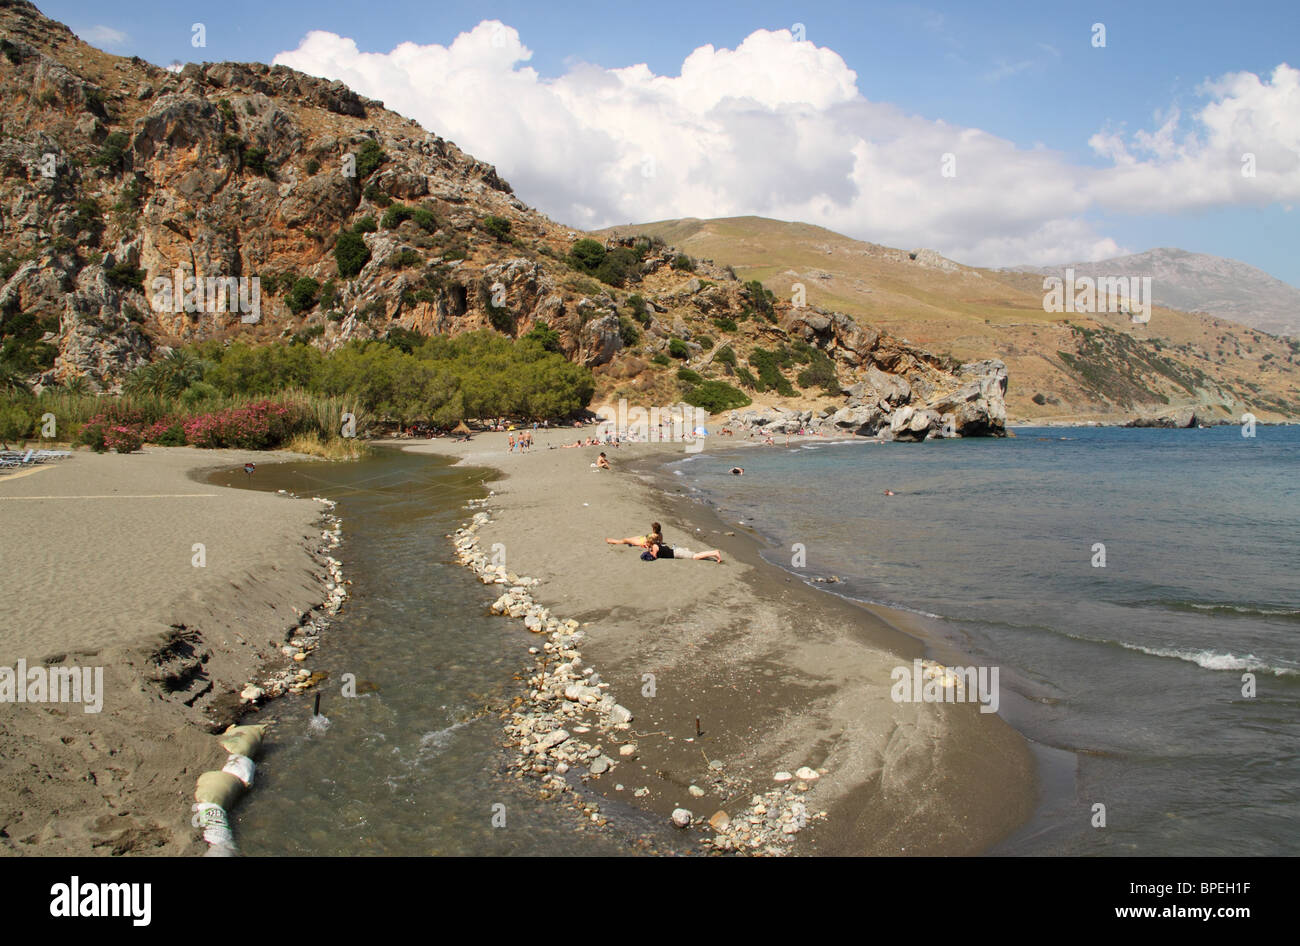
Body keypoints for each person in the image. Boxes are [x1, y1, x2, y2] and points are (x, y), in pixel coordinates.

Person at [648, 540, 722, 563]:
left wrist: (649, 552)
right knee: (696, 554)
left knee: (695, 557)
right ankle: (714, 552)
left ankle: (715, 553)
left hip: (677, 553)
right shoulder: (656, 544)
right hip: (677, 551)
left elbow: (654, 556)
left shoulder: (654, 547)